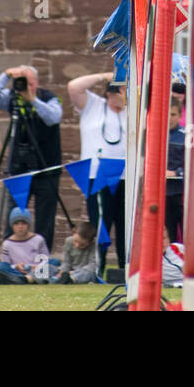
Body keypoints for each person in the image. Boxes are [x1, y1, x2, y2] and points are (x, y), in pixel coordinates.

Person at [0, 64, 63, 249]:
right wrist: (6, 75)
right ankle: (10, 259)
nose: (25, 87)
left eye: (29, 83)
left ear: (36, 82)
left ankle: (41, 260)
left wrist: (33, 100)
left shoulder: (48, 97)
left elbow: (54, 117)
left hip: (47, 167)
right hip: (19, 167)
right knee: (14, 214)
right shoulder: (13, 97)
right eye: (22, 82)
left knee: (45, 217)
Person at [67, 69, 126, 269]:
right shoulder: (93, 105)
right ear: (110, 93)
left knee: (125, 224)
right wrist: (104, 76)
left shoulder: (132, 109)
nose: (124, 98)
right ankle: (98, 269)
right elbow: (74, 86)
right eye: (121, 93)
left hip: (127, 176)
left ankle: (124, 269)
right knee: (100, 224)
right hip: (98, 175)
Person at [0, 207, 54, 284]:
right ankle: (26, 279)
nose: (20, 227)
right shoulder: (7, 243)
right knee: (0, 267)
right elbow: (6, 263)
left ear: (28, 224)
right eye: (16, 224)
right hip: (19, 272)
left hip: (36, 269)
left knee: (54, 262)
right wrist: (17, 266)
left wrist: (37, 267)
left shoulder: (38, 239)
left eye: (23, 223)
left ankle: (27, 279)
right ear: (12, 226)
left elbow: (45, 259)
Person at [165, 101, 185, 244]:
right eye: (167, 114)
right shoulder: (154, 134)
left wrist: (177, 173)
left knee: (187, 232)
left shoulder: (186, 136)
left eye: (173, 114)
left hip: (182, 193)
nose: (170, 118)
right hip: (163, 194)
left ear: (179, 116)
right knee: (168, 232)